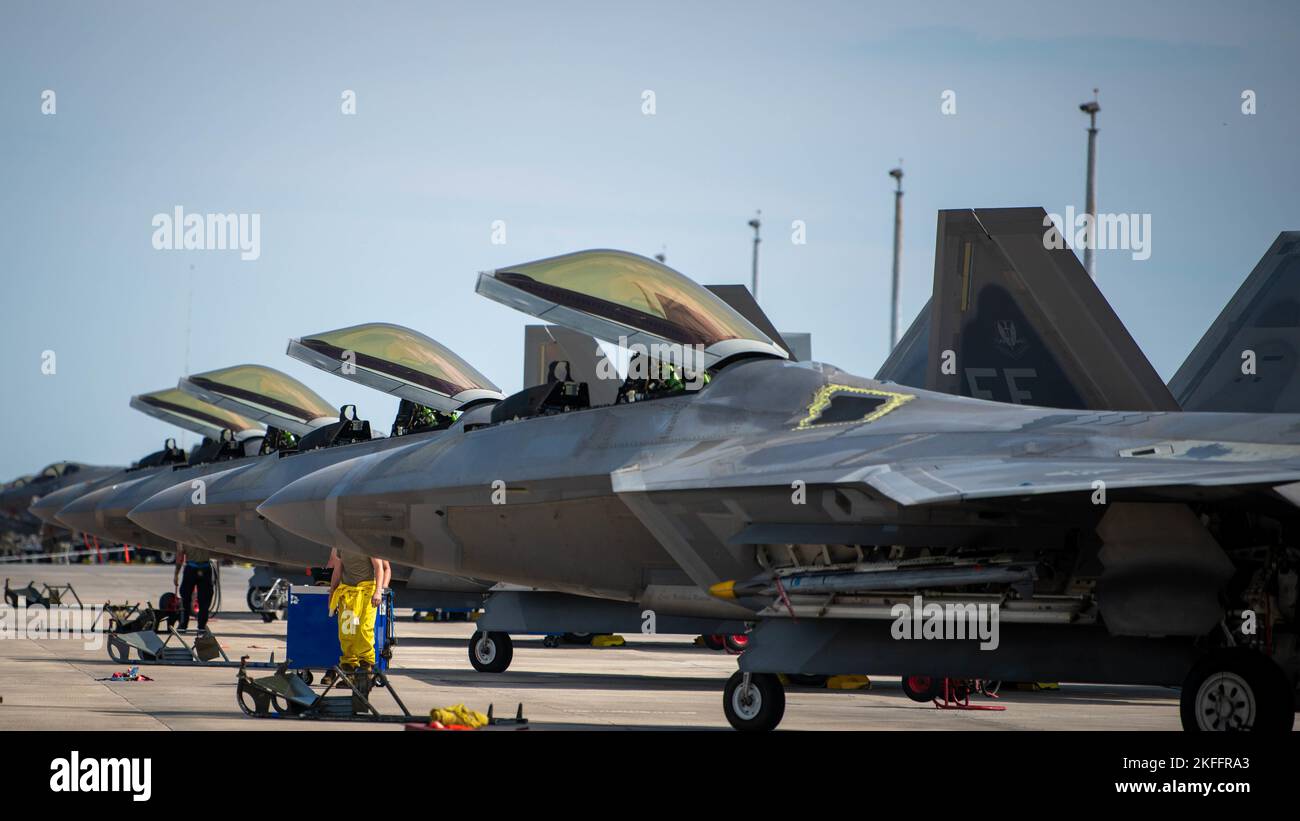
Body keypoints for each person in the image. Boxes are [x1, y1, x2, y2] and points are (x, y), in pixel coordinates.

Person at [327, 548, 390, 679]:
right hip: (347, 592)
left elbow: (379, 568)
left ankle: (366, 663)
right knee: (346, 631)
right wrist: (332, 592)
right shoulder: (340, 545)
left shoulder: (367, 542)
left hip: (366, 592)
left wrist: (378, 591)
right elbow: (338, 569)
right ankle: (348, 666)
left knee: (363, 629)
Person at [173, 545, 214, 632]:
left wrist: (176, 574)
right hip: (205, 568)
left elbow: (180, 556)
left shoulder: (184, 535)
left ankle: (183, 625)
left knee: (186, 598)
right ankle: (202, 626)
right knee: (204, 599)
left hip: (191, 569)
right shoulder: (207, 534)